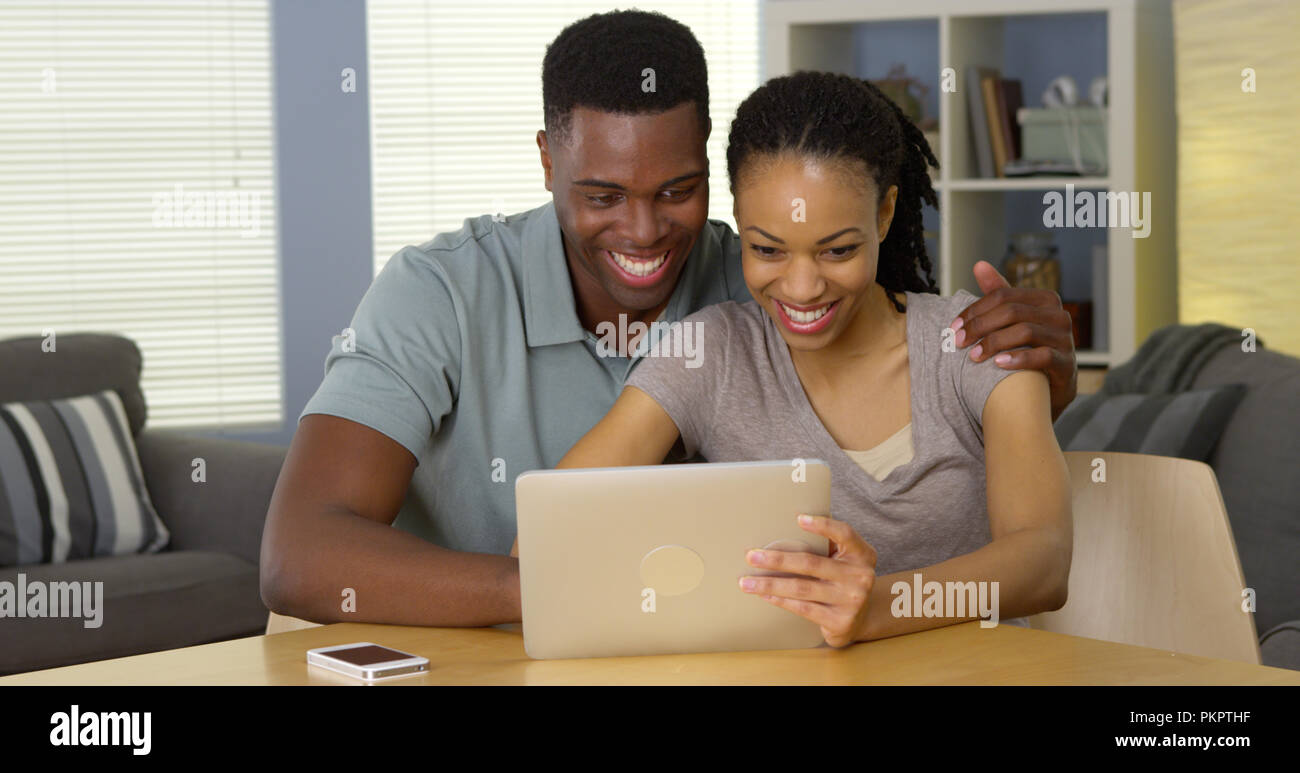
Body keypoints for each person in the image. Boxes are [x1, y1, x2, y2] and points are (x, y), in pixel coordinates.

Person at [260, 10, 1078, 628]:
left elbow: (990, 476)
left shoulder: (756, 283)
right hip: (485, 653)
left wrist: (1049, 382)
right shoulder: (442, 292)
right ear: (548, 160)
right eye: (603, 195)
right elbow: (301, 551)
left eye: (676, 191)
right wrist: (553, 590)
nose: (645, 232)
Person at [518, 71, 1072, 647]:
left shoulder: (980, 342)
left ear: (884, 215)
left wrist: (879, 605)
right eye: (766, 249)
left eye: (838, 250)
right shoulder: (708, 357)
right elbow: (543, 538)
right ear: (736, 219)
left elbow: (1044, 561)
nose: (803, 288)